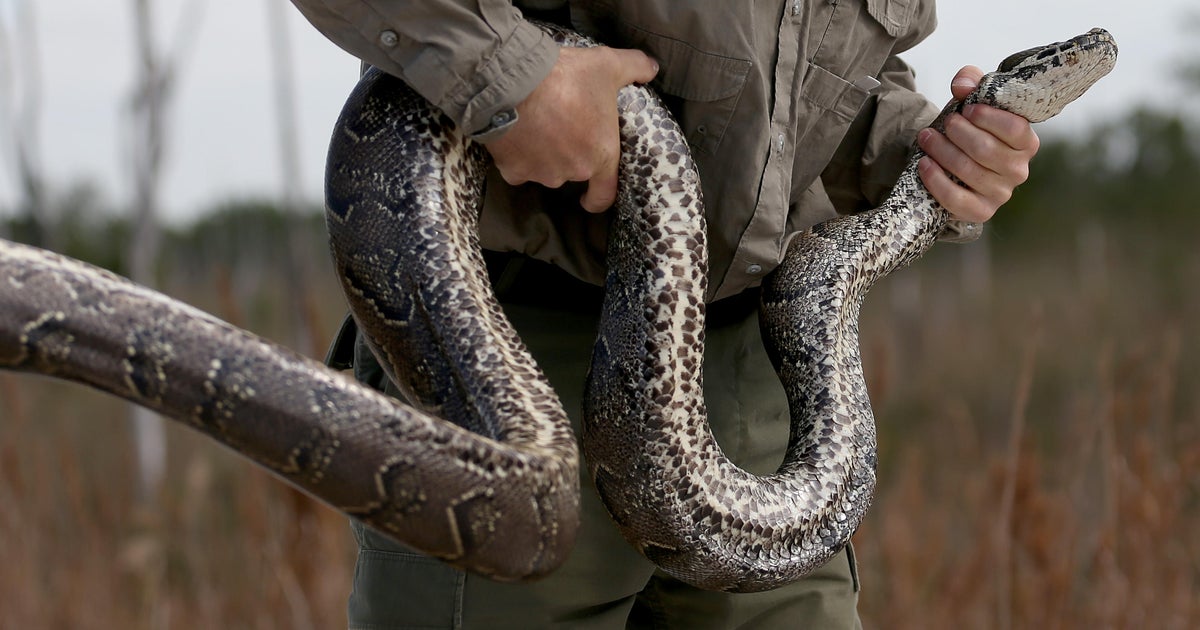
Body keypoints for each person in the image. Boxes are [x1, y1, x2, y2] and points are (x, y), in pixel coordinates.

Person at [293, 1, 1040, 628]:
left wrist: (936, 155)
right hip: (515, 339)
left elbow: (815, 93)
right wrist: (510, 75)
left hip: (755, 373)